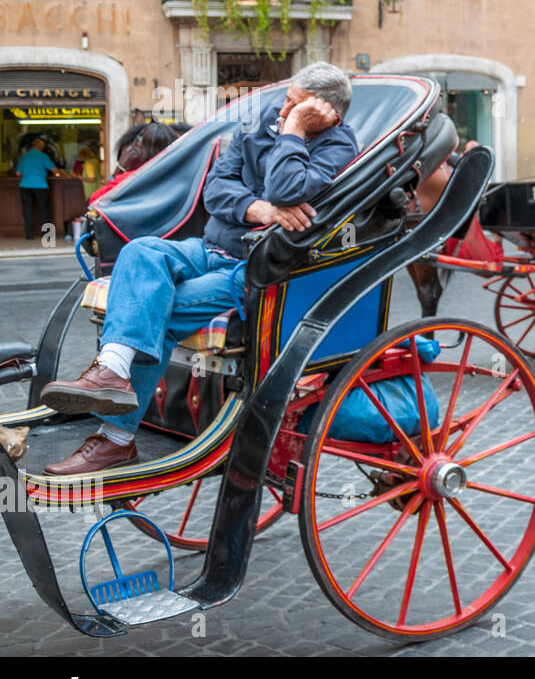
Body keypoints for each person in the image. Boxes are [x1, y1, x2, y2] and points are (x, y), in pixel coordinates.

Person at [39, 63, 360, 475]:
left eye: (295, 105)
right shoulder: (262, 124)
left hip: (256, 267)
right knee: (141, 252)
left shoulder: (338, 148)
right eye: (286, 100)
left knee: (160, 309)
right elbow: (216, 188)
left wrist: (295, 130)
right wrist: (256, 207)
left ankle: (116, 441)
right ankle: (113, 370)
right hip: (213, 245)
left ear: (326, 111)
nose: (282, 110)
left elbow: (286, 188)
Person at [15, 137, 60, 240]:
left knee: (27, 211)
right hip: (41, 185)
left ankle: (29, 235)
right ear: (41, 147)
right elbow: (55, 170)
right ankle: (46, 235)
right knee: (44, 210)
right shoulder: (43, 156)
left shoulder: (25, 156)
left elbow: (18, 173)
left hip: (25, 186)